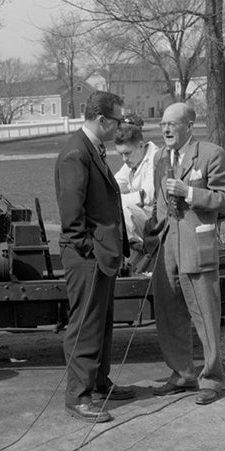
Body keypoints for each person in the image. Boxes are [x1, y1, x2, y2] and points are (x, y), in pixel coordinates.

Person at [147, 102, 225, 405]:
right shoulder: (159, 156)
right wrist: (152, 232)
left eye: (172, 124)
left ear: (189, 126)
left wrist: (190, 193)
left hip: (197, 245)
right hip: (167, 247)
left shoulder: (211, 154)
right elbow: (159, 201)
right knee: (169, 313)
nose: (166, 130)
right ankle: (183, 373)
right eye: (163, 124)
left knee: (205, 315)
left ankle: (211, 379)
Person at [54, 90, 134, 423]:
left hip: (99, 255)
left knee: (100, 323)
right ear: (102, 119)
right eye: (117, 120)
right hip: (87, 257)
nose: (120, 126)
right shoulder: (76, 153)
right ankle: (78, 397)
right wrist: (92, 251)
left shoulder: (90, 148)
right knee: (85, 326)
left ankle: (99, 384)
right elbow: (72, 217)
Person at [113, 123, 158, 261]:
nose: (124, 159)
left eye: (127, 153)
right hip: (143, 220)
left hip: (157, 222)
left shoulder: (155, 159)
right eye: (121, 154)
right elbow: (112, 185)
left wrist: (114, 198)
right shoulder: (135, 160)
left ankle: (137, 249)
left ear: (141, 145)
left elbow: (146, 197)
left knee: (123, 205)